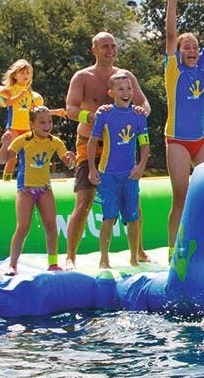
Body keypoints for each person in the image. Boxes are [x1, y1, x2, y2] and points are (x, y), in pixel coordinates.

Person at [64, 30, 150, 265]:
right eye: (105, 46)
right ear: (94, 50)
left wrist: (142, 111)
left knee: (133, 201)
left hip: (121, 145)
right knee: (84, 201)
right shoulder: (82, 77)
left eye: (113, 46)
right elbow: (70, 109)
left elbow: (143, 103)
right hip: (90, 144)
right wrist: (92, 117)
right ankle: (70, 256)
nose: (110, 50)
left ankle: (139, 251)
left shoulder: (124, 76)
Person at [162, 0, 204, 244]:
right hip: (176, 139)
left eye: (194, 47)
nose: (191, 50)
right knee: (181, 196)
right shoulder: (174, 70)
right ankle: (172, 251)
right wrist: (172, 0)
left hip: (200, 139)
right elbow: (170, 35)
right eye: (186, 47)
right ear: (178, 52)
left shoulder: (202, 67)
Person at [0, 105, 74, 275]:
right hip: (25, 189)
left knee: (51, 226)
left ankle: (53, 263)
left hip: (45, 189)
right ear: (31, 124)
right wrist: (5, 145)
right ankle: (12, 264)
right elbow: (2, 160)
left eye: (49, 122)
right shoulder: (24, 140)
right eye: (42, 122)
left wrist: (70, 159)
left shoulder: (55, 141)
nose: (47, 125)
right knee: (23, 227)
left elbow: (68, 163)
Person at [87, 73, 151, 270]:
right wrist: (92, 169)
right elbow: (91, 142)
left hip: (130, 174)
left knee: (133, 217)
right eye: (121, 89)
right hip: (108, 175)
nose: (126, 92)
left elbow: (145, 146)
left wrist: (140, 167)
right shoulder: (104, 114)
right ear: (111, 93)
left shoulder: (138, 116)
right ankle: (104, 259)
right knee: (110, 217)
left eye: (129, 88)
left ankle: (134, 258)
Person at [0, 59, 52, 180]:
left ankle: (27, 181)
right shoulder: (10, 90)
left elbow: (37, 113)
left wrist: (56, 112)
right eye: (22, 73)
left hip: (27, 130)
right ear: (15, 75)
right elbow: (5, 102)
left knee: (27, 157)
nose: (26, 75)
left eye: (28, 73)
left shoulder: (33, 95)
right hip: (13, 128)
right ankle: (6, 181)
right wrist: (18, 96)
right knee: (12, 158)